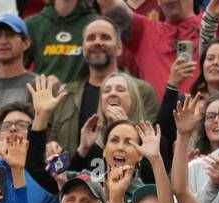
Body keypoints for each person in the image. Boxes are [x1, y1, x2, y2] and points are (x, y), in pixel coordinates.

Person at [45, 16, 158, 157]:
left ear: (119, 47)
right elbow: (53, 143)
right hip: (74, 176)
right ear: (83, 47)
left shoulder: (143, 91)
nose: (97, 42)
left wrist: (123, 127)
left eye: (105, 37)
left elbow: (152, 149)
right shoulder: (65, 94)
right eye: (91, 38)